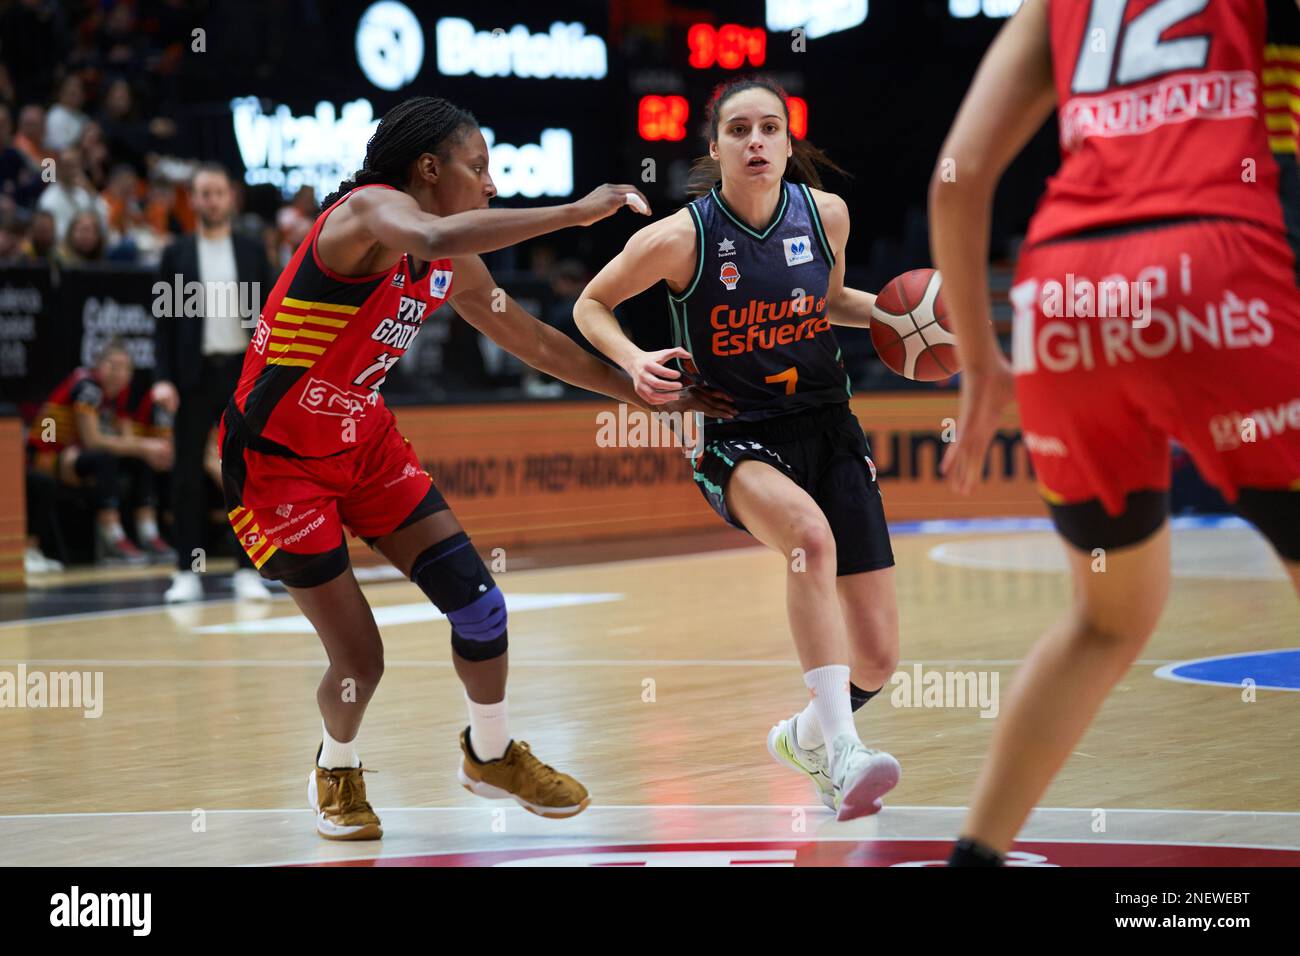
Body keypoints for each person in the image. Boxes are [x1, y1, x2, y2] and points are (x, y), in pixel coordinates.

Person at [219, 95, 732, 840]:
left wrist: (647, 392)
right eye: (479, 168)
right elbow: (429, 228)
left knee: (481, 607)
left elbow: (538, 343)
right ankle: (336, 766)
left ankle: (488, 754)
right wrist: (571, 213)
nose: (491, 184)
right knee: (361, 656)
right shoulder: (366, 216)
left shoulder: (452, 263)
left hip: (364, 445)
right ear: (429, 168)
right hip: (279, 464)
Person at [930, 0, 1300, 866]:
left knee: (1106, 619)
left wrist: (983, 367)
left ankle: (973, 859)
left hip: (1064, 297)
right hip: (1214, 271)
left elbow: (956, 176)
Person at [574, 76, 902, 820]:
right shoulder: (681, 236)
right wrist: (632, 360)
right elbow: (590, 304)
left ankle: (805, 736)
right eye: (740, 130)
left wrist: (910, 317)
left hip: (830, 424)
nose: (756, 141)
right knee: (809, 541)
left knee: (879, 659)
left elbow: (827, 301)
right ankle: (844, 754)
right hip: (734, 431)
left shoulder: (828, 216)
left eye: (771, 128)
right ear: (714, 146)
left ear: (790, 143)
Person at [153, 163, 277, 603]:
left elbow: (270, 316)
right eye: (202, 193)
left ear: (230, 197)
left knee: (245, 473)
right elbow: (164, 323)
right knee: (186, 473)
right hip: (193, 375)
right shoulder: (177, 253)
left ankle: (249, 568)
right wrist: (163, 378)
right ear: (193, 199)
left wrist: (272, 373)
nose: (210, 200)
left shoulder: (251, 250)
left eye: (217, 192)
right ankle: (187, 569)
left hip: (242, 375)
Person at [26, 339, 175, 565]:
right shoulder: (87, 387)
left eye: (124, 368)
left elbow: (127, 440)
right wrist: (145, 445)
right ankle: (112, 537)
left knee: (141, 461)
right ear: (98, 366)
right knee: (105, 458)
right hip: (45, 456)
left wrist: (146, 450)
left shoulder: (120, 395)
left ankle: (148, 532)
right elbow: (93, 440)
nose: (118, 373)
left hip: (77, 454)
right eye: (112, 365)